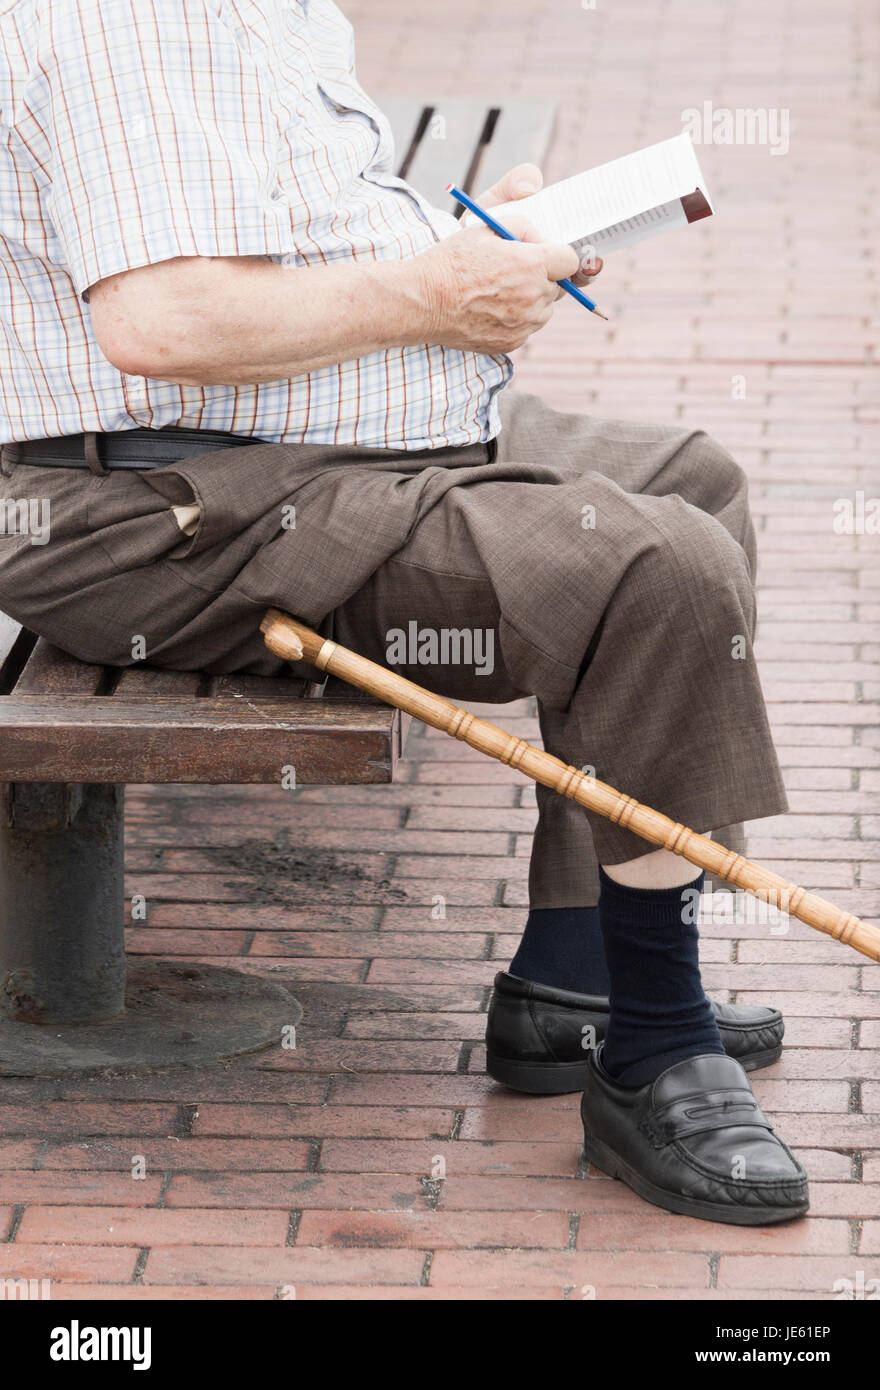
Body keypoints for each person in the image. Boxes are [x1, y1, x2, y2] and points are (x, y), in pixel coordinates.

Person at [0, 0, 807, 1225]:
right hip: (171, 504)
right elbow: (162, 320)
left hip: (307, 446)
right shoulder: (140, 19)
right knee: (660, 569)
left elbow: (295, 238)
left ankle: (578, 979)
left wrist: (486, 241)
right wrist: (440, 294)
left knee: (686, 480)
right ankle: (656, 1049)